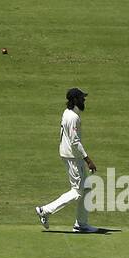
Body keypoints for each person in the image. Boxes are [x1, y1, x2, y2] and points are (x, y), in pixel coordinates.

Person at [35, 87, 100, 233]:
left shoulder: (69, 113)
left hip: (71, 155)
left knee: (87, 188)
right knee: (77, 192)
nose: (84, 100)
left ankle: (81, 224)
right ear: (75, 100)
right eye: (82, 98)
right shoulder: (72, 117)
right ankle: (45, 210)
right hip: (72, 157)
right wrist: (87, 159)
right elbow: (75, 141)